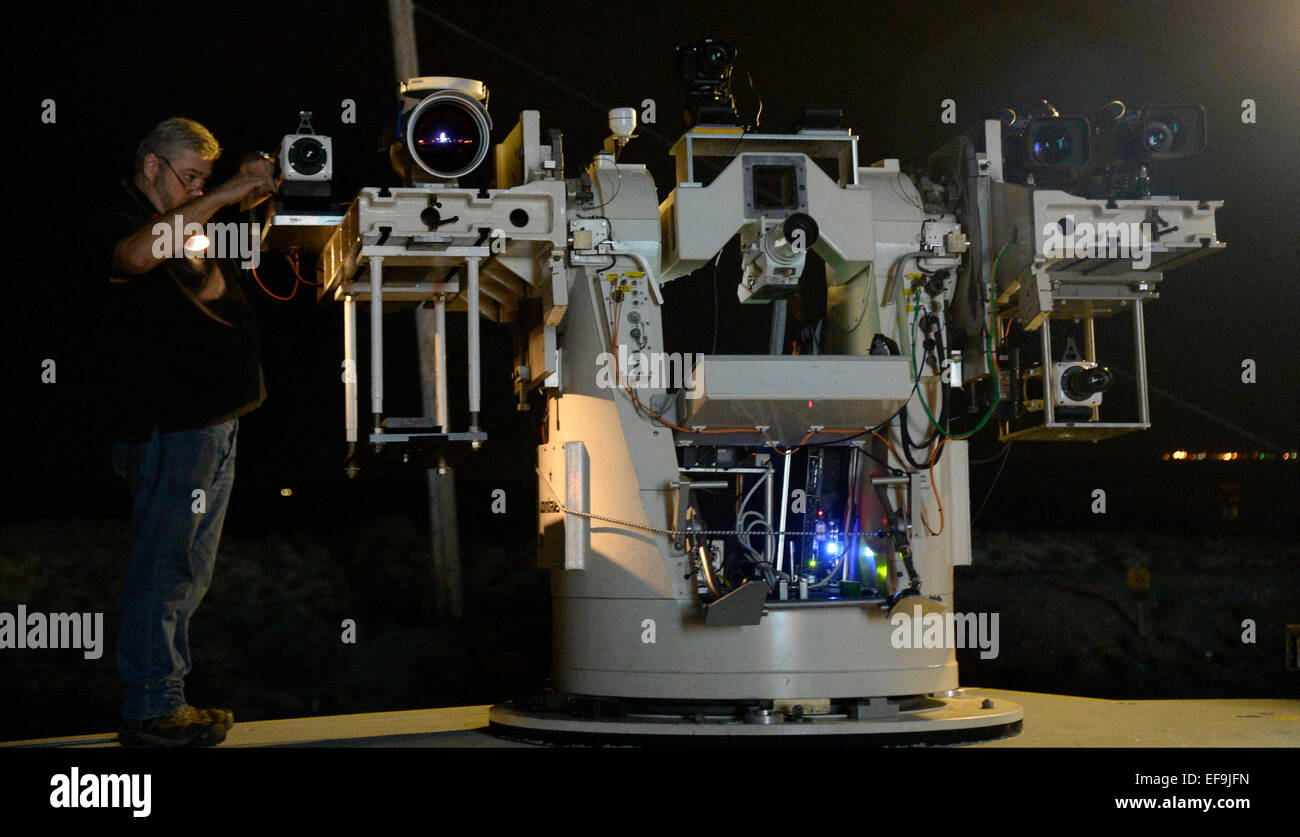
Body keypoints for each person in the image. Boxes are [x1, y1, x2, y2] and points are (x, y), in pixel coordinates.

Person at [100, 116, 275, 747]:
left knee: (189, 571)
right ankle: (151, 710)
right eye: (189, 177)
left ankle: (165, 699)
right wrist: (226, 192)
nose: (197, 189)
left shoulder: (192, 222)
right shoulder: (121, 214)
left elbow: (236, 254)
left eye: (205, 177)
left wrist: (254, 191)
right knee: (165, 568)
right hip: (171, 427)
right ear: (153, 167)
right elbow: (134, 256)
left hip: (214, 423)